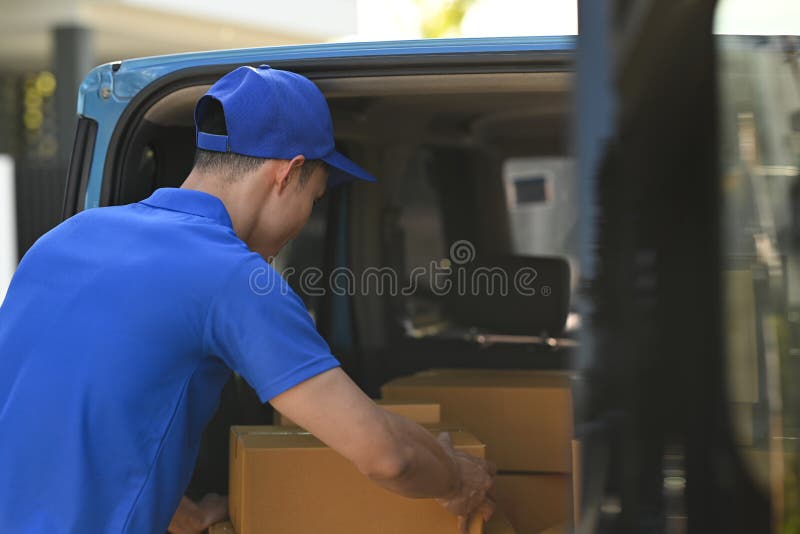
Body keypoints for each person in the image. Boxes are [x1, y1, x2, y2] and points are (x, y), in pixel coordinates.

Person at [0, 65, 495, 533]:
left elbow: (61, 407)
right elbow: (389, 458)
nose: (306, 217)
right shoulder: (232, 277)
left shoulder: (65, 238)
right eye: (314, 198)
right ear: (285, 174)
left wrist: (176, 507)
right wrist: (454, 476)